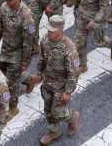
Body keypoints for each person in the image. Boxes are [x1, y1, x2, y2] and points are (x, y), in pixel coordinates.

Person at [32, 14, 81, 144]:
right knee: (48, 110)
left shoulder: (69, 48)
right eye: (49, 29)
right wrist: (39, 73)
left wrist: (68, 92)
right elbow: (42, 58)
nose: (49, 33)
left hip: (61, 86)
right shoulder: (45, 40)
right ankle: (54, 131)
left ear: (61, 30)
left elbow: (74, 72)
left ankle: (73, 117)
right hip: (47, 82)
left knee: (58, 112)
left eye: (53, 31)